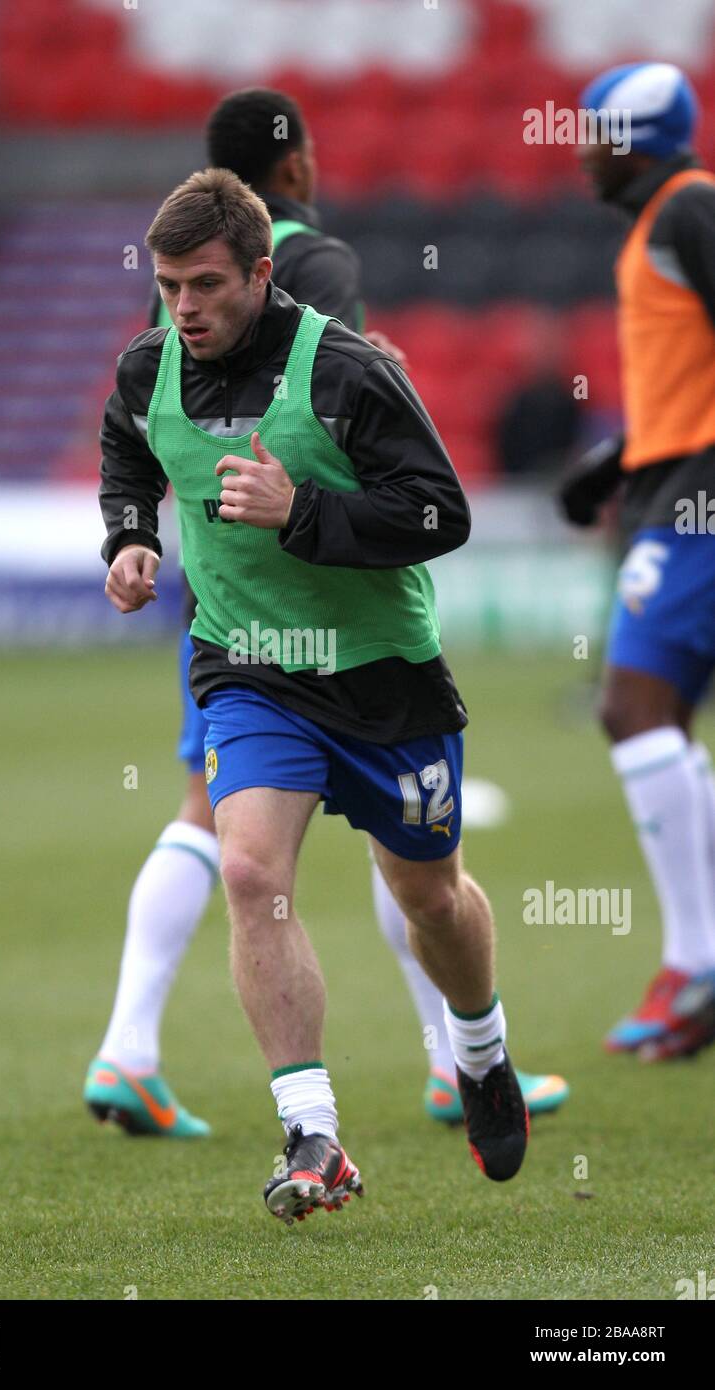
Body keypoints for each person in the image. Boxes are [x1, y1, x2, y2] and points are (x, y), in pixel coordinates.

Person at [85, 88, 568, 1138]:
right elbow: (126, 448)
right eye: (165, 287)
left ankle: (477, 1051)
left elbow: (438, 512)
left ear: (261, 273)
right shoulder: (144, 363)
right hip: (247, 660)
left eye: (204, 286)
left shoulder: (343, 365)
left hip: (380, 670)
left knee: (430, 894)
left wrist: (299, 507)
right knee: (249, 867)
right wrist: (129, 536)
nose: (182, 309)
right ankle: (312, 1132)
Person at [560, 61, 715, 1059]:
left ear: (637, 137)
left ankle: (693, 961)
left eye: (595, 134)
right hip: (670, 482)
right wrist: (613, 460)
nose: (580, 152)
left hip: (698, 498)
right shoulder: (660, 218)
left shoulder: (687, 207)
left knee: (631, 705)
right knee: (663, 720)